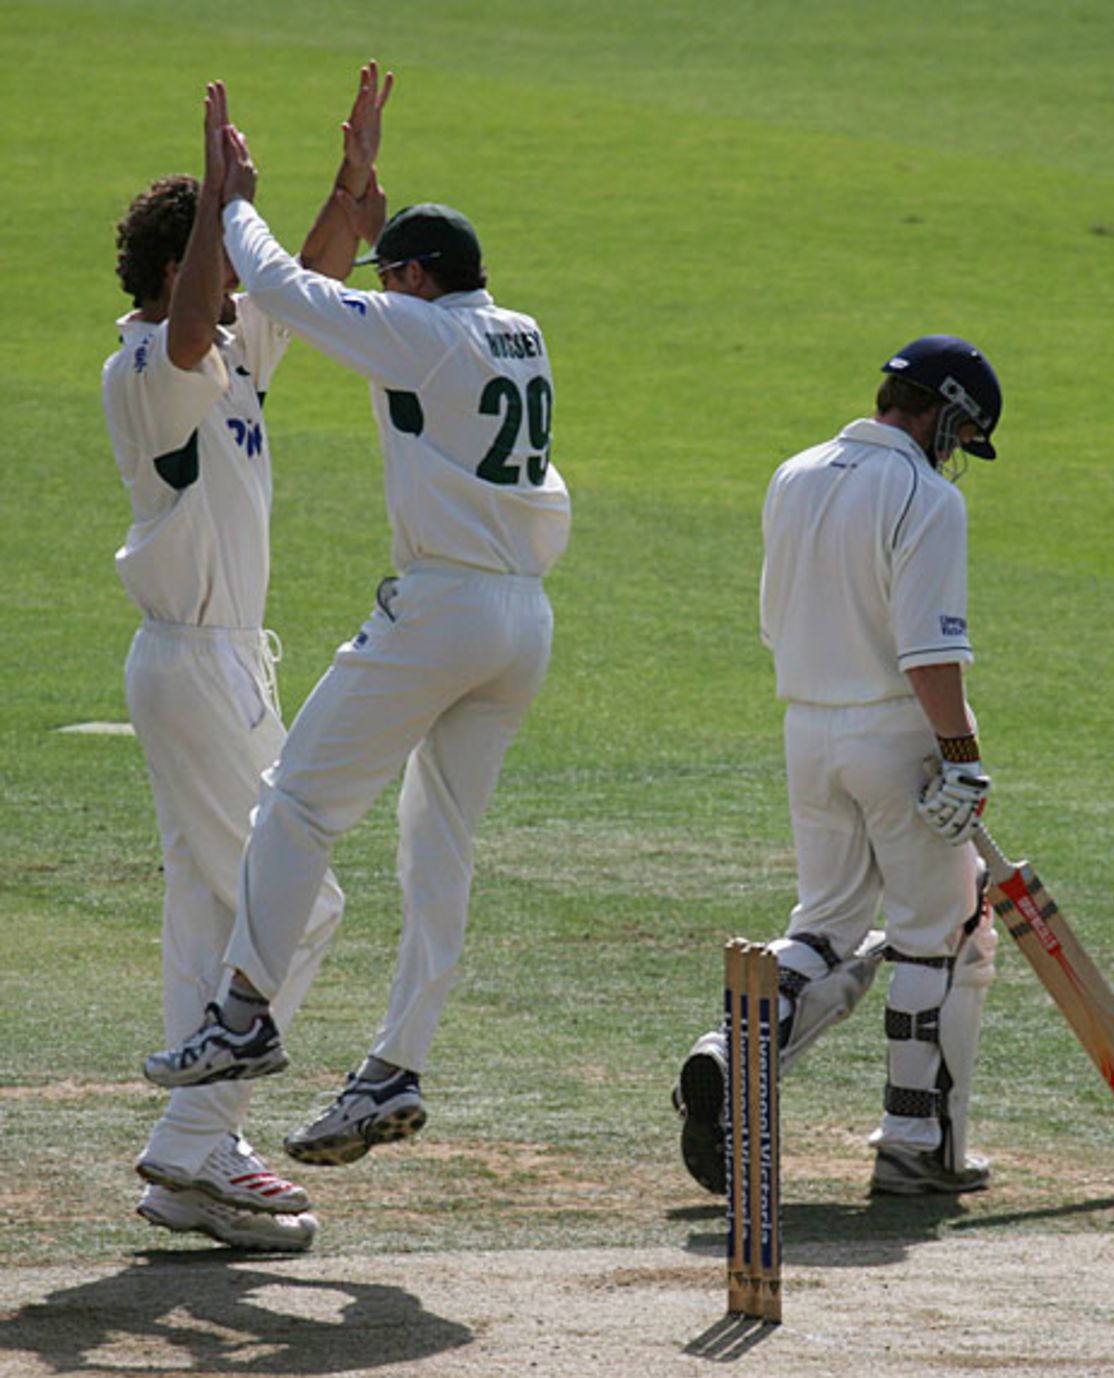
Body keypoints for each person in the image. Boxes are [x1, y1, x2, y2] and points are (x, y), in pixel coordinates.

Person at [143, 93, 572, 1172]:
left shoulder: (420, 330)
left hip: (444, 607)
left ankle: (242, 1008)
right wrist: (363, 203)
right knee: (441, 844)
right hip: (525, 617)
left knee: (295, 804)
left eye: (393, 275)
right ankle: (396, 1065)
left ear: (418, 282)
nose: (378, 295)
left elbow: (289, 290)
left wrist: (239, 205)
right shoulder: (515, 329)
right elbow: (354, 296)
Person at [106, 67, 392, 1249]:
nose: (241, 270)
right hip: (192, 664)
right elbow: (187, 326)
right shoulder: (151, 368)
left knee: (211, 912)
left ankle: (193, 1162)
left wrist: (346, 189)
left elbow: (308, 277)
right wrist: (218, 190)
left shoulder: (229, 343)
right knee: (301, 902)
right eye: (225, 246)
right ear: (189, 271)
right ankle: (193, 1146)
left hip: (219, 668)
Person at [673, 336, 1003, 1197]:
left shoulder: (796, 472)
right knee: (945, 938)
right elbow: (930, 657)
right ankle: (917, 1143)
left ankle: (731, 1049)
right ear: (942, 410)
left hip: (807, 731)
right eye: (961, 432)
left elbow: (777, 624)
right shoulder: (925, 498)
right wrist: (961, 759)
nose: (956, 451)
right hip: (895, 734)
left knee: (825, 929)